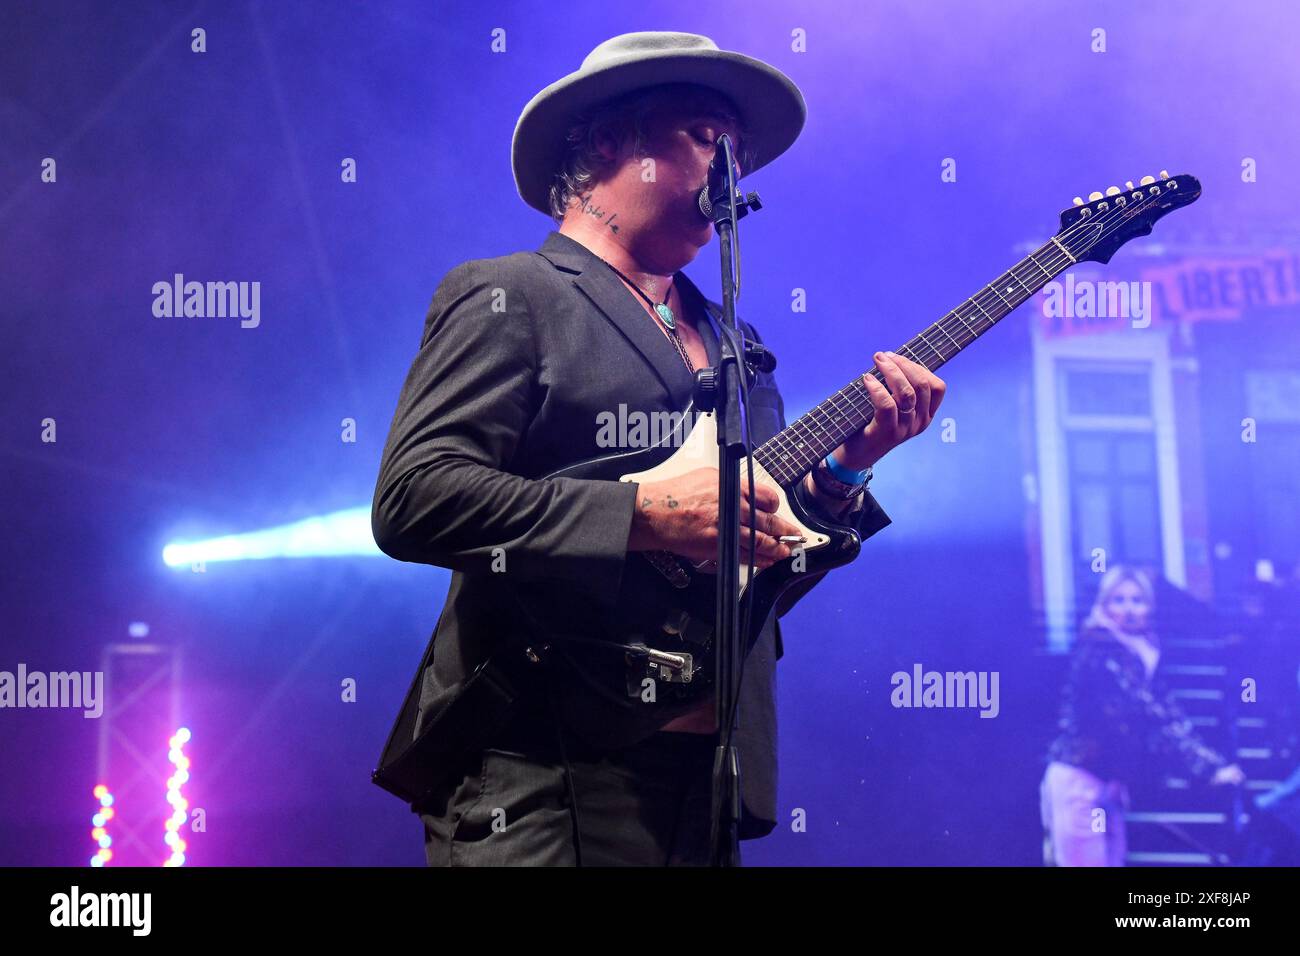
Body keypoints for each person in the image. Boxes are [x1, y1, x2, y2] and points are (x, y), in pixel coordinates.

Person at [371, 31, 946, 865]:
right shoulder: (513, 295)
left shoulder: (739, 346)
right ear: (610, 140)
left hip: (707, 779)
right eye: (707, 137)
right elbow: (413, 498)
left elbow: (752, 583)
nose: (729, 170)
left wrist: (843, 478)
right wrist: (644, 514)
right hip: (537, 771)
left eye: (737, 154)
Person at [1041, 566, 1245, 866]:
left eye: (1137, 600)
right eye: (1118, 600)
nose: (1128, 609)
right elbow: (1148, 714)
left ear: (1149, 607)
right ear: (1103, 605)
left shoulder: (1140, 653)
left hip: (1107, 785)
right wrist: (1206, 768)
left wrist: (1212, 763)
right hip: (1079, 783)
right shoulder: (1101, 650)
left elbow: (1170, 714)